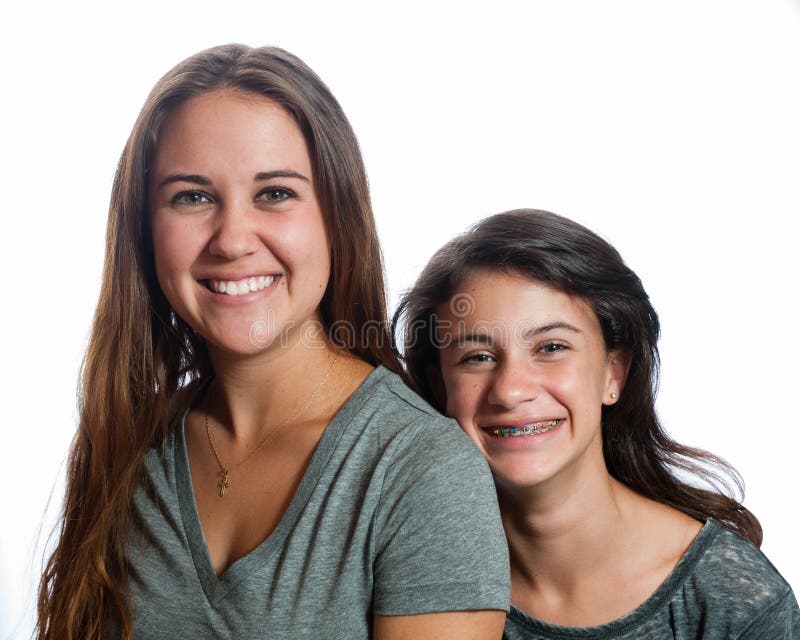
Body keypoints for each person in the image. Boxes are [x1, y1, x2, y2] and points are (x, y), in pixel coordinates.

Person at [37, 44, 510, 640]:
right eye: (192, 196)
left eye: (275, 193)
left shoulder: (421, 472)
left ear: (337, 216)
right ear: (144, 229)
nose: (233, 239)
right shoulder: (131, 445)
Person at [394, 209, 800, 639]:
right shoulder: (405, 578)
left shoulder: (732, 604)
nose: (511, 390)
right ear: (441, 387)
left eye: (551, 347)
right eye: (476, 357)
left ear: (613, 374)